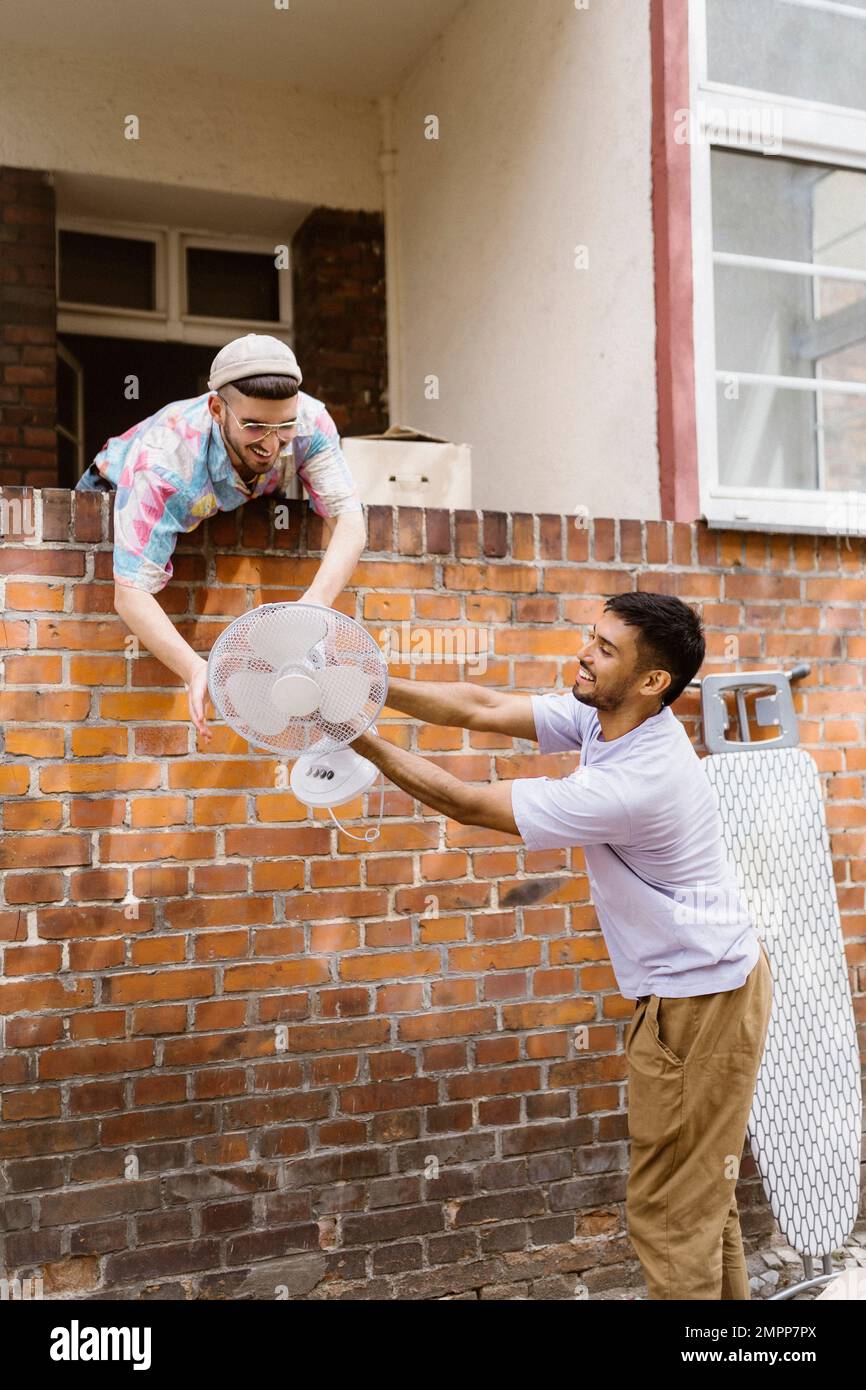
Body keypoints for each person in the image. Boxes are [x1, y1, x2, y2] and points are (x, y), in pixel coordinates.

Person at [350, 591, 773, 1300]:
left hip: (700, 1005)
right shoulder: (607, 719)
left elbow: (467, 803)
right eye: (591, 637)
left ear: (651, 682)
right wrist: (362, 690)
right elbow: (479, 707)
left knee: (672, 1216)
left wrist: (348, 731)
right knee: (699, 1200)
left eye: (606, 649)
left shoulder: (635, 783)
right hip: (710, 989)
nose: (584, 653)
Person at [75, 334, 366, 741]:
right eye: (254, 426)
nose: (271, 443)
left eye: (284, 427)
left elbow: (350, 521)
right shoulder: (164, 459)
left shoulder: (311, 423)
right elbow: (130, 593)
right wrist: (196, 668)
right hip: (115, 487)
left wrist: (315, 604)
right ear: (216, 408)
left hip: (230, 496)